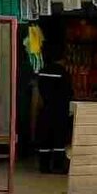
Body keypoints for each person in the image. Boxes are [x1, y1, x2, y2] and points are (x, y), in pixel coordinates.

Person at [35, 41, 74, 174]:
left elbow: (38, 91)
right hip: (59, 111)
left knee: (44, 139)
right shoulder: (63, 73)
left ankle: (44, 166)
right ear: (62, 58)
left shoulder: (42, 72)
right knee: (59, 140)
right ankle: (57, 166)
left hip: (45, 110)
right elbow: (68, 93)